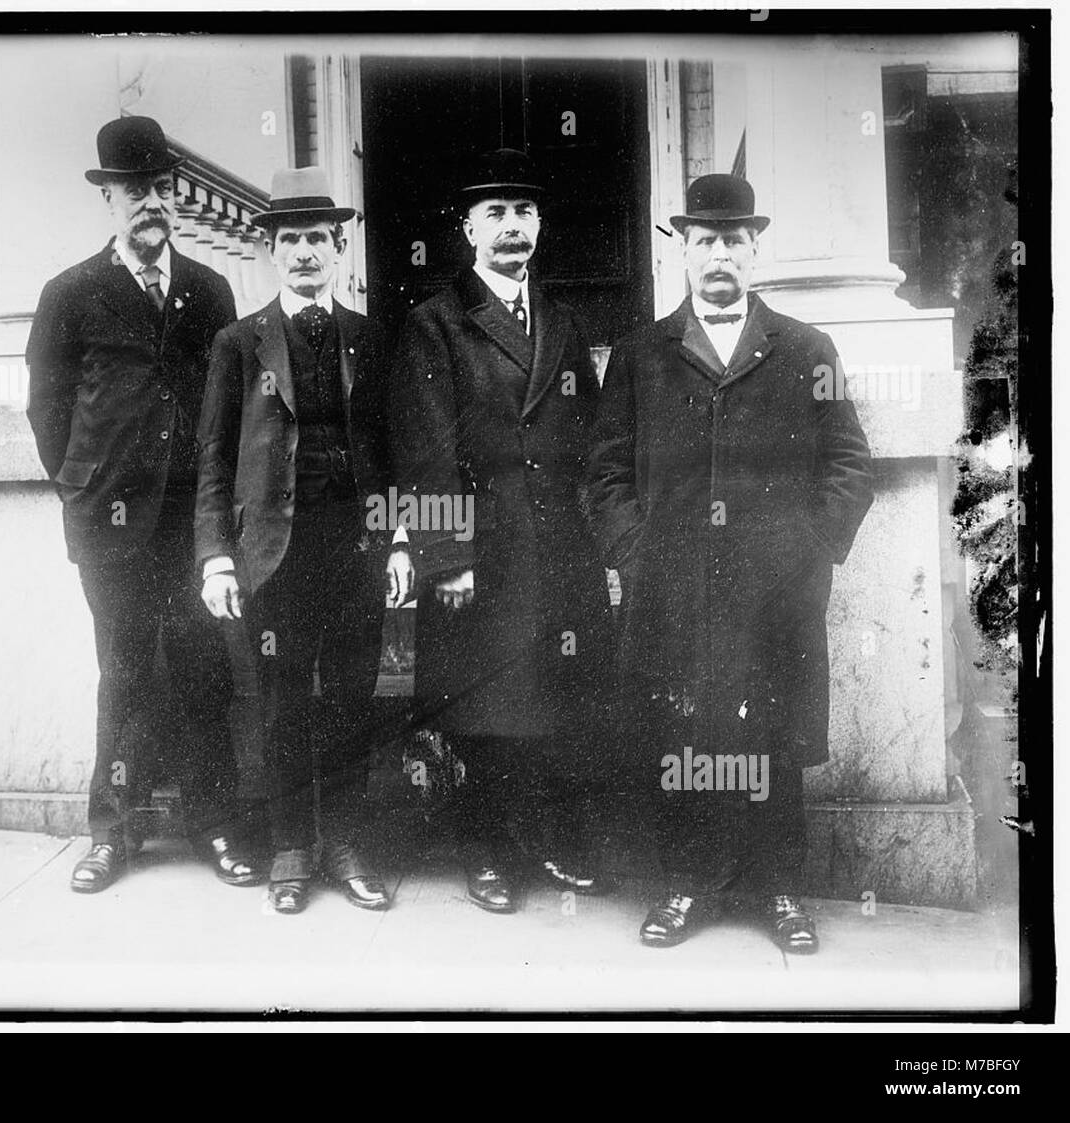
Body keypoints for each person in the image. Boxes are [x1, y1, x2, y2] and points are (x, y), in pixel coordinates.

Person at [587, 173, 875, 952]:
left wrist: (813, 552)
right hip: (674, 586)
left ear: (756, 250)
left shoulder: (807, 349)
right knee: (686, 732)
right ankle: (687, 882)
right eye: (705, 240)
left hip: (776, 588)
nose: (720, 255)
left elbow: (849, 463)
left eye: (734, 240)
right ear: (683, 248)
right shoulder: (644, 353)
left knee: (773, 730)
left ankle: (781, 889)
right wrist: (635, 555)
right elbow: (608, 472)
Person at [25, 115, 262, 893]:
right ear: (110, 201)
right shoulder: (70, 294)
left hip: (194, 524)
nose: (151, 204)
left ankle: (215, 824)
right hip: (111, 527)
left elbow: (228, 410)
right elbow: (47, 413)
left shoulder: (208, 289)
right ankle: (112, 832)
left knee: (204, 669)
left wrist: (217, 515)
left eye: (162, 189)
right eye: (135, 192)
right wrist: (85, 487)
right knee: (123, 673)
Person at [387, 148, 614, 914]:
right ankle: (484, 850)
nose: (511, 228)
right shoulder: (435, 323)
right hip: (483, 554)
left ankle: (542, 839)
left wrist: (601, 543)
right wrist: (446, 555)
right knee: (485, 705)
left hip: (560, 548)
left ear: (540, 225)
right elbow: (424, 452)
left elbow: (591, 440)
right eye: (495, 215)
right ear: (468, 229)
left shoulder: (563, 320)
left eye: (523, 213)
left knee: (552, 699)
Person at [195, 167, 409, 915]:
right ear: (271, 251)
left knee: (352, 698)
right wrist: (216, 555)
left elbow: (393, 450)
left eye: (318, 237)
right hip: (273, 554)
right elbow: (215, 459)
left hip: (355, 547)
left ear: (339, 245)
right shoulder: (239, 343)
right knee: (282, 699)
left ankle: (346, 843)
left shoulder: (368, 337)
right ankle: (292, 846)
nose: (305, 252)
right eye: (291, 240)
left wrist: (403, 542)